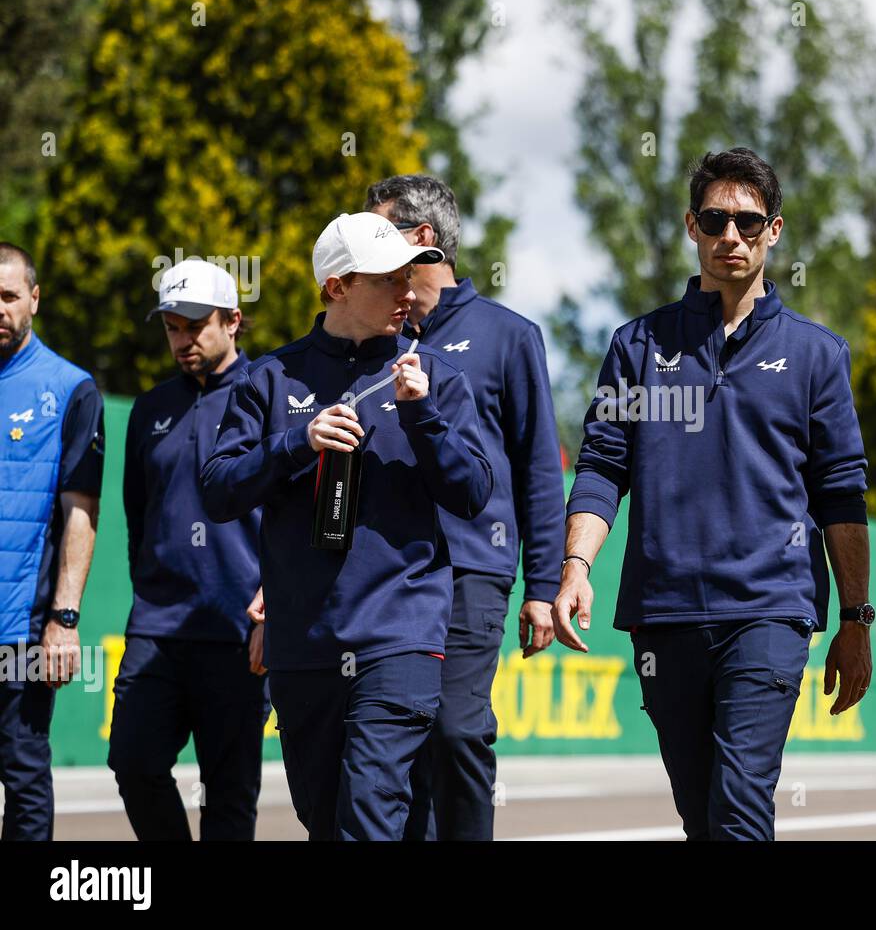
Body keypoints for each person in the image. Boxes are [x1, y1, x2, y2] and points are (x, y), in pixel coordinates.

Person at [552, 148, 874, 841]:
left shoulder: (818, 355)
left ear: (775, 230)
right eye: (716, 219)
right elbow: (604, 465)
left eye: (749, 222)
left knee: (738, 807)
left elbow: (841, 497)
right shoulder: (636, 345)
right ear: (692, 227)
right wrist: (576, 567)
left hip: (770, 610)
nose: (732, 236)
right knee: (702, 815)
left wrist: (856, 621)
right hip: (663, 613)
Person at [200, 212, 492, 840]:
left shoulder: (435, 377)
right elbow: (218, 491)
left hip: (401, 636)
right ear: (336, 287)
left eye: (411, 277)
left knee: (367, 816)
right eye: (389, 281)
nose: (409, 293)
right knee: (329, 821)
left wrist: (425, 419)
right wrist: (295, 444)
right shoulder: (268, 379)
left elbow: (473, 494)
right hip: (304, 646)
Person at [365, 175, 566, 841]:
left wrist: (544, 585)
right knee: (398, 743)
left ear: (422, 242)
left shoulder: (508, 336)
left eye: (377, 229)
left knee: (455, 731)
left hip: (470, 573)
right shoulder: (372, 337)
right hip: (383, 576)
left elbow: (540, 466)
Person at [109, 259, 269, 840]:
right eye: (172, 326)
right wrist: (150, 591)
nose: (182, 339)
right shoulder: (150, 408)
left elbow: (292, 520)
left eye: (195, 325)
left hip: (239, 632)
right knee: (133, 762)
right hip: (159, 628)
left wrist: (270, 607)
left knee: (229, 797)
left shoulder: (270, 392)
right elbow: (137, 515)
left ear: (233, 321)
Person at [0, 241, 104, 840]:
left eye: (10, 296)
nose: (1, 308)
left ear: (34, 299)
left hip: (22, 628)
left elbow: (80, 512)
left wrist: (64, 619)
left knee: (24, 780)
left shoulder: (71, 389)